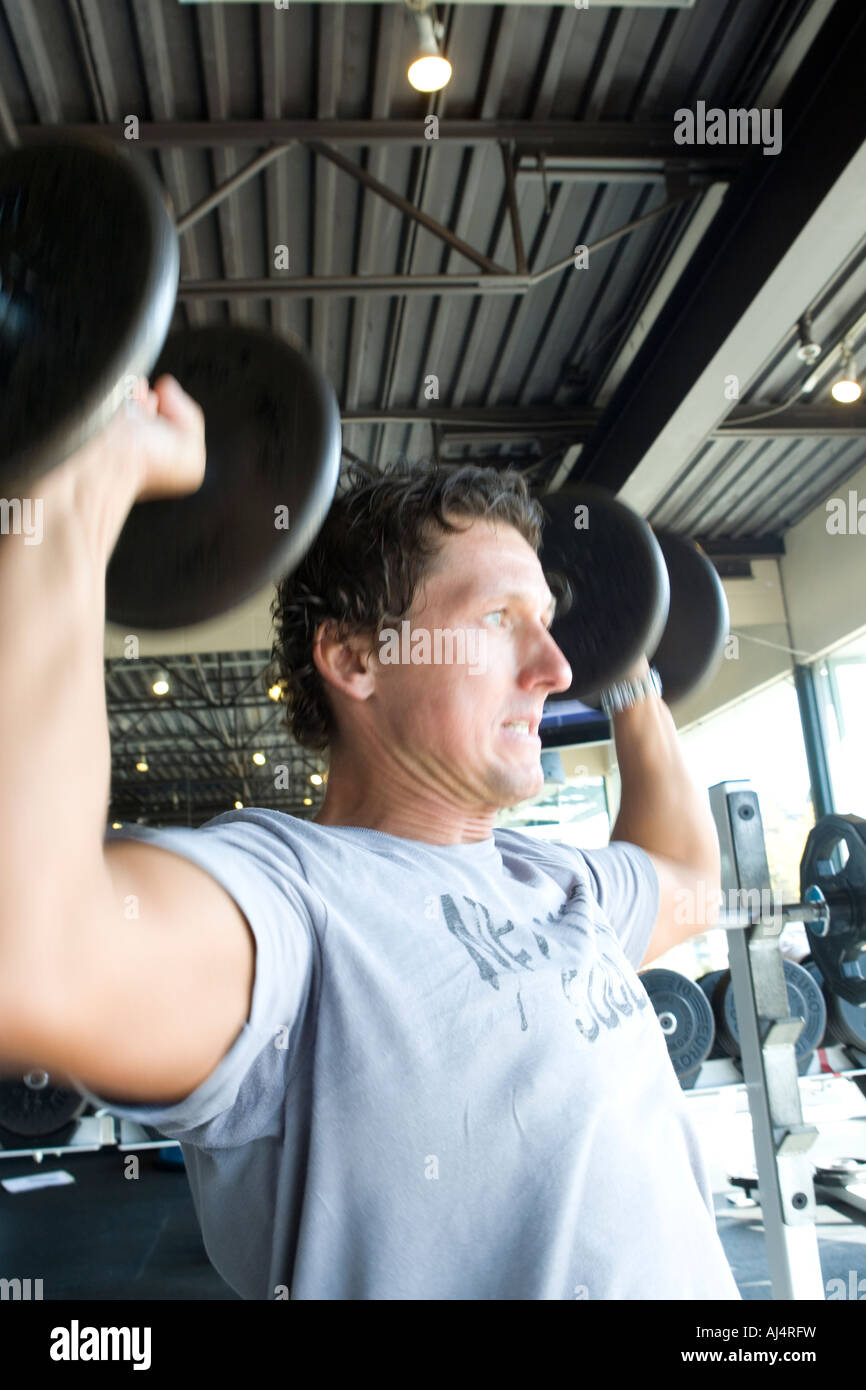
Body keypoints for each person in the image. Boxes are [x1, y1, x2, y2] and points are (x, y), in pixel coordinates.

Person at [0, 377, 739, 1301]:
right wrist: (83, 483)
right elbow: (32, 957)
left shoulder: (552, 878)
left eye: (553, 624)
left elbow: (689, 882)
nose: (556, 670)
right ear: (356, 660)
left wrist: (630, 677)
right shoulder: (292, 902)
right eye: (499, 622)